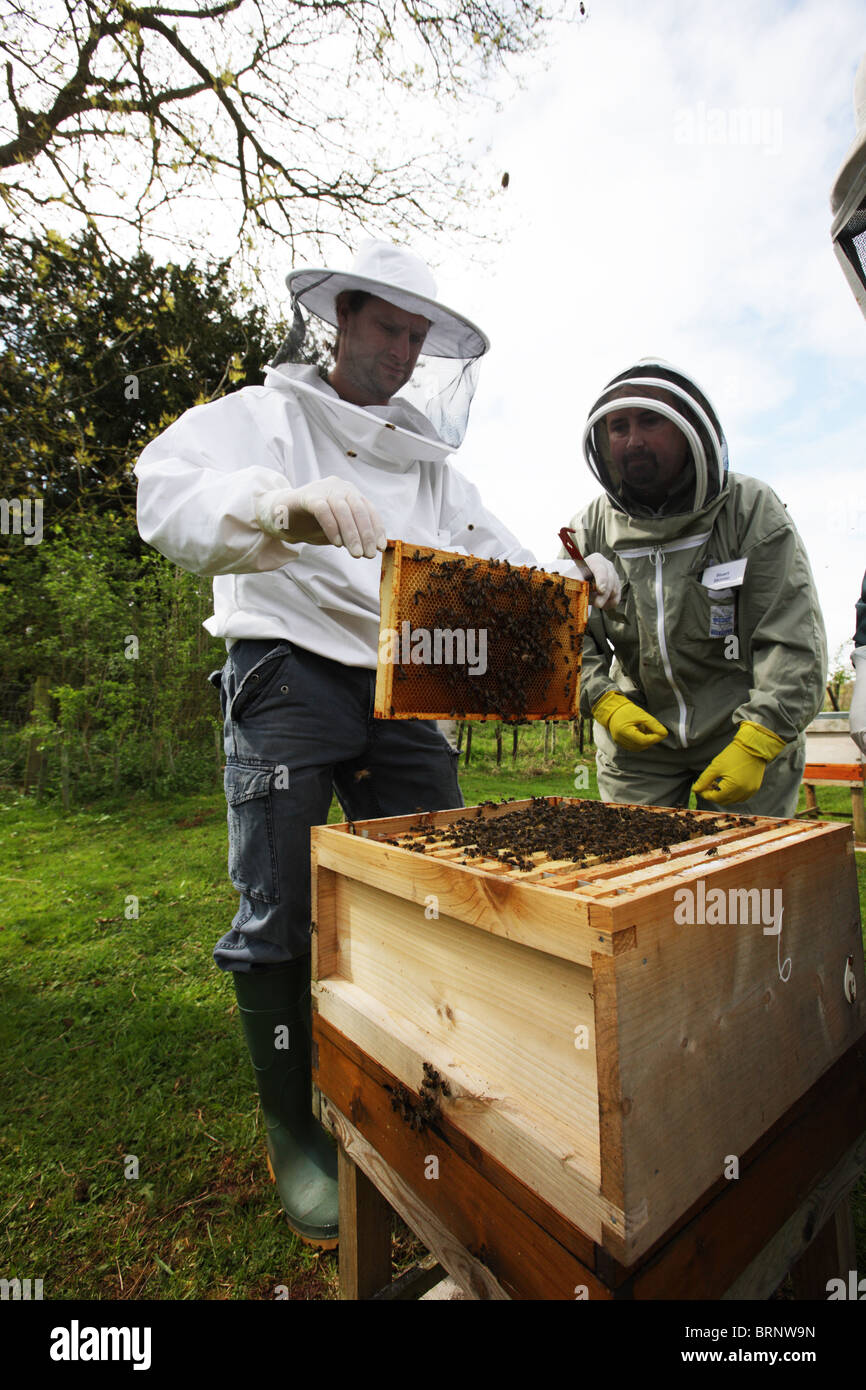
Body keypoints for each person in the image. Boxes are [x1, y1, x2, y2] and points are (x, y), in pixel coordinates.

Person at [134, 240, 618, 1247]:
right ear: (341, 321)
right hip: (287, 668)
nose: (402, 350)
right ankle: (291, 1126)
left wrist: (576, 594)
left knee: (433, 884)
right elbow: (163, 490)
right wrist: (277, 504)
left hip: (405, 682)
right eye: (387, 327)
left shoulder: (432, 467)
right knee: (277, 905)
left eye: (416, 336)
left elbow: (501, 565)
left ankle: (408, 1087)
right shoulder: (259, 418)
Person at [561, 358, 827, 815]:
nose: (634, 440)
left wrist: (762, 736)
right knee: (637, 872)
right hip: (638, 740)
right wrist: (601, 698)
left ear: (691, 432)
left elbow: (790, 633)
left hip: (739, 733)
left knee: (740, 876)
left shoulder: (751, 511)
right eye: (618, 427)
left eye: (650, 420)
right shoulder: (589, 529)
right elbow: (567, 633)